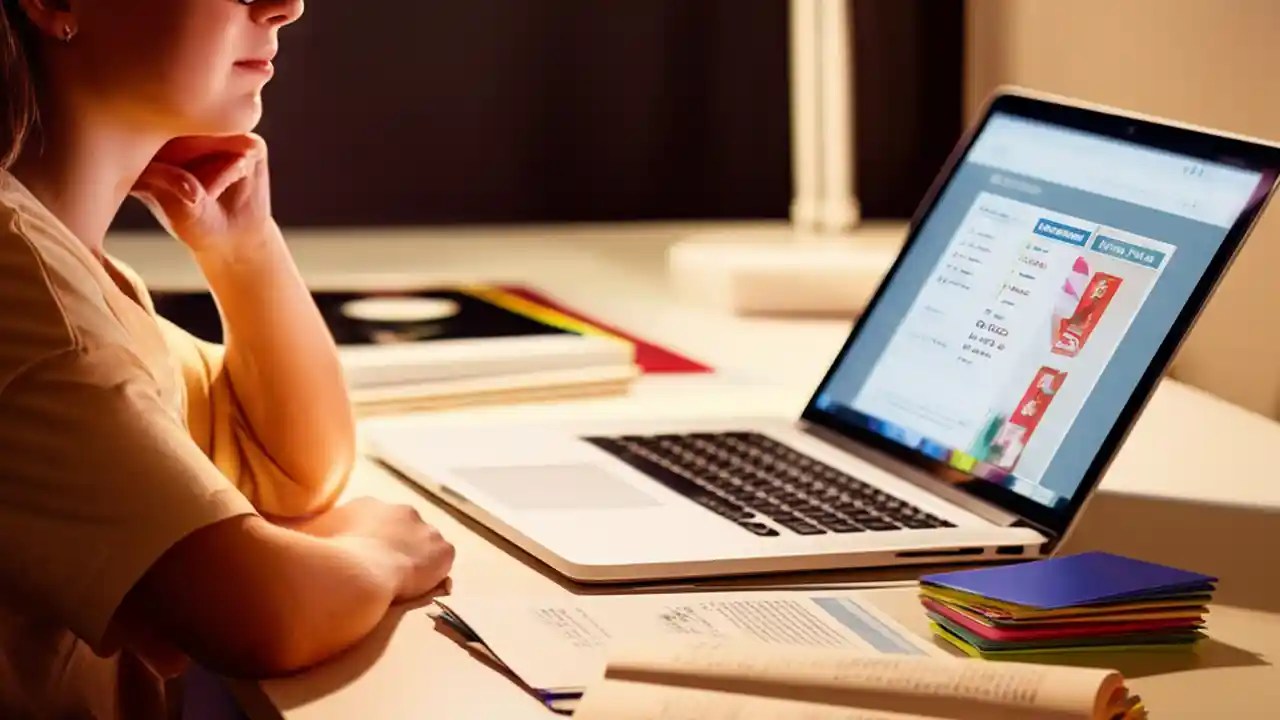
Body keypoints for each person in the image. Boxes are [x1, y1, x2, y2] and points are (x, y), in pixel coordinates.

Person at [0, 0, 456, 716]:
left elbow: (286, 466)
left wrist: (244, 251)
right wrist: (382, 554)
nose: (286, 5)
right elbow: (262, 613)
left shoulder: (68, 265)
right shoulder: (18, 277)